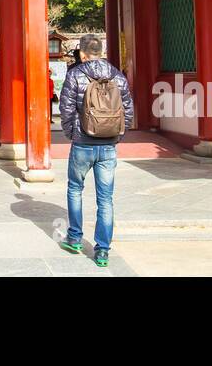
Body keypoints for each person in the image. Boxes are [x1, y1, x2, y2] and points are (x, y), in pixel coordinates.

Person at [57, 35, 133, 268]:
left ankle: (75, 237)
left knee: (75, 188)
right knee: (106, 198)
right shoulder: (118, 76)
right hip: (108, 145)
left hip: (82, 142)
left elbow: (66, 107)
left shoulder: (75, 75)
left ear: (82, 53)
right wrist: (118, 134)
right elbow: (127, 109)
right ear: (101, 51)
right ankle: (102, 250)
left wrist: (71, 133)